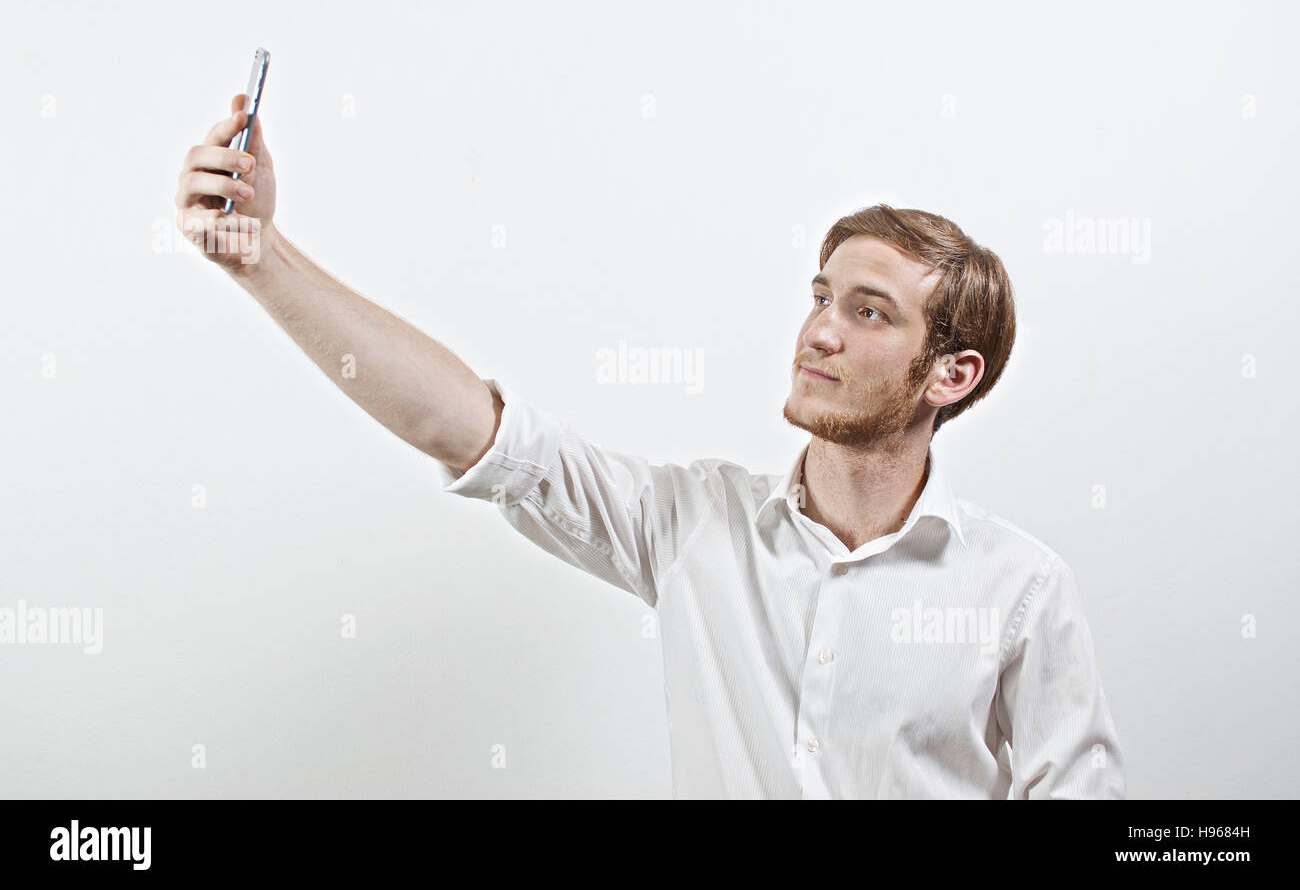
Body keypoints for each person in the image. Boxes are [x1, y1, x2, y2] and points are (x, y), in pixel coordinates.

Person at [174, 93, 1126, 799]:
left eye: (869, 311)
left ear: (950, 373)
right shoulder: (692, 523)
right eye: (821, 296)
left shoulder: (1021, 589)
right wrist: (263, 257)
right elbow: (464, 424)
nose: (821, 332)